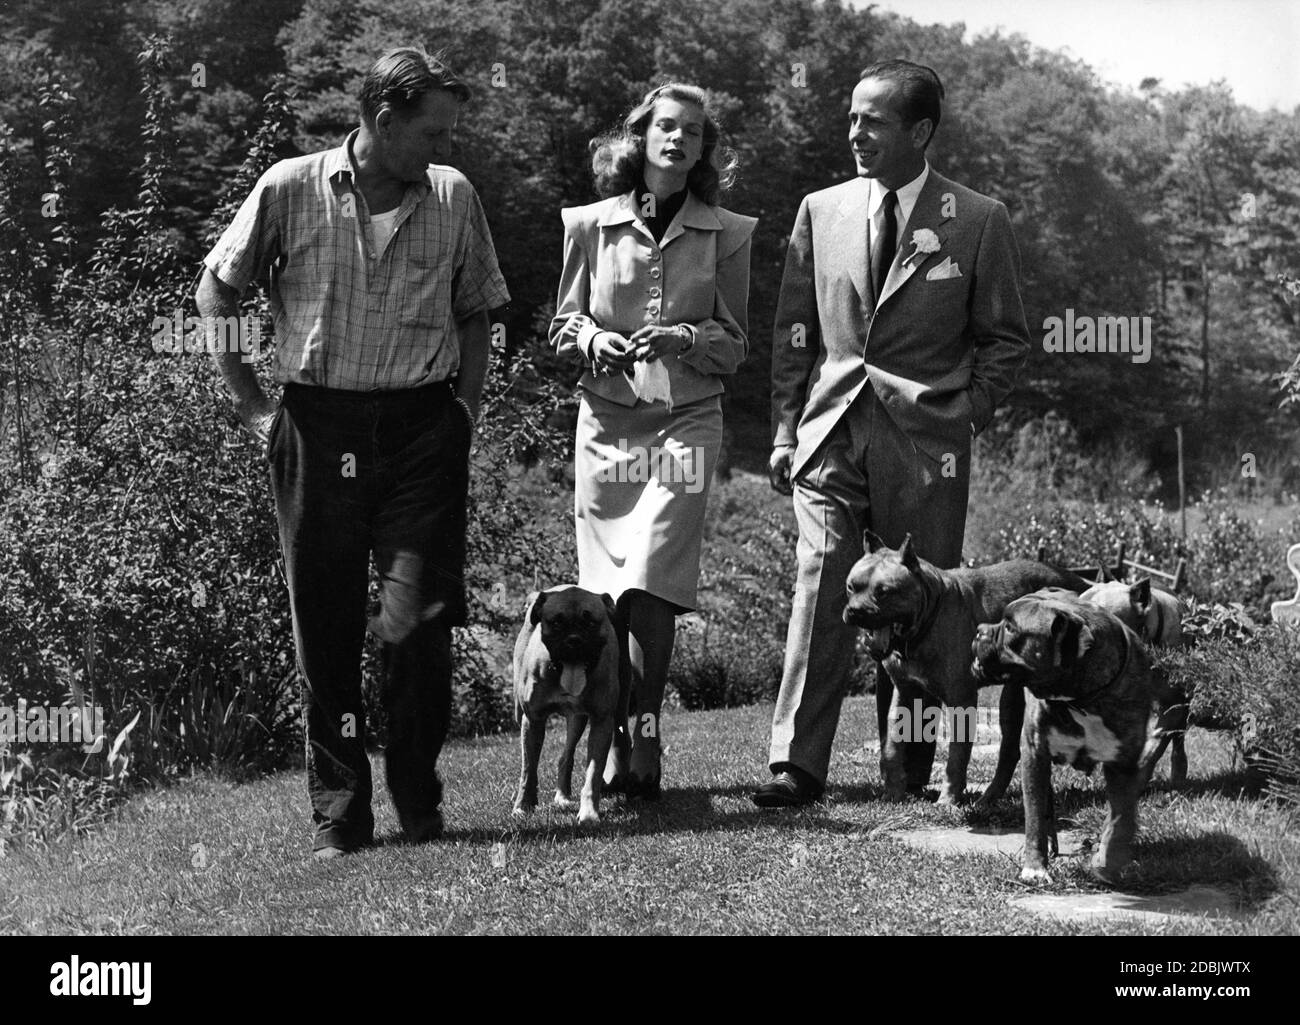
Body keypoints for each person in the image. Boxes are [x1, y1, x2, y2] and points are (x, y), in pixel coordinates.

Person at [196, 48, 509, 857]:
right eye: (431, 132)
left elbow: (477, 312)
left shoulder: (453, 197)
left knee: (417, 625)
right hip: (315, 424)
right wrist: (257, 411)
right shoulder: (290, 186)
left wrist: (464, 414)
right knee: (326, 629)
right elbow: (216, 289)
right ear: (381, 120)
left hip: (421, 432)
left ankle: (417, 796)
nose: (442, 148)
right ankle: (341, 812)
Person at [754, 59, 1030, 807]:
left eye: (872, 120)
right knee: (820, 586)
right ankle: (796, 764)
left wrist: (964, 411)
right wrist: (784, 429)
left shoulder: (978, 219)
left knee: (917, 607)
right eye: (851, 118)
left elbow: (1006, 339)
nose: (855, 132)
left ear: (921, 130)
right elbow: (794, 332)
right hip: (828, 433)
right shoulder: (820, 209)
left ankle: (906, 766)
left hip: (926, 445)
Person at [550, 83, 756, 798]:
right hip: (607, 420)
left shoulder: (730, 231)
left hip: (688, 417)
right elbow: (563, 326)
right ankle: (608, 744)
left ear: (703, 149)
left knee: (656, 580)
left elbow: (736, 345)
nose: (678, 139)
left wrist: (686, 336)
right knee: (608, 589)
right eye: (665, 127)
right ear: (639, 138)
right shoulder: (587, 223)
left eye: (692, 132)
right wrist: (595, 336)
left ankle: (644, 738)